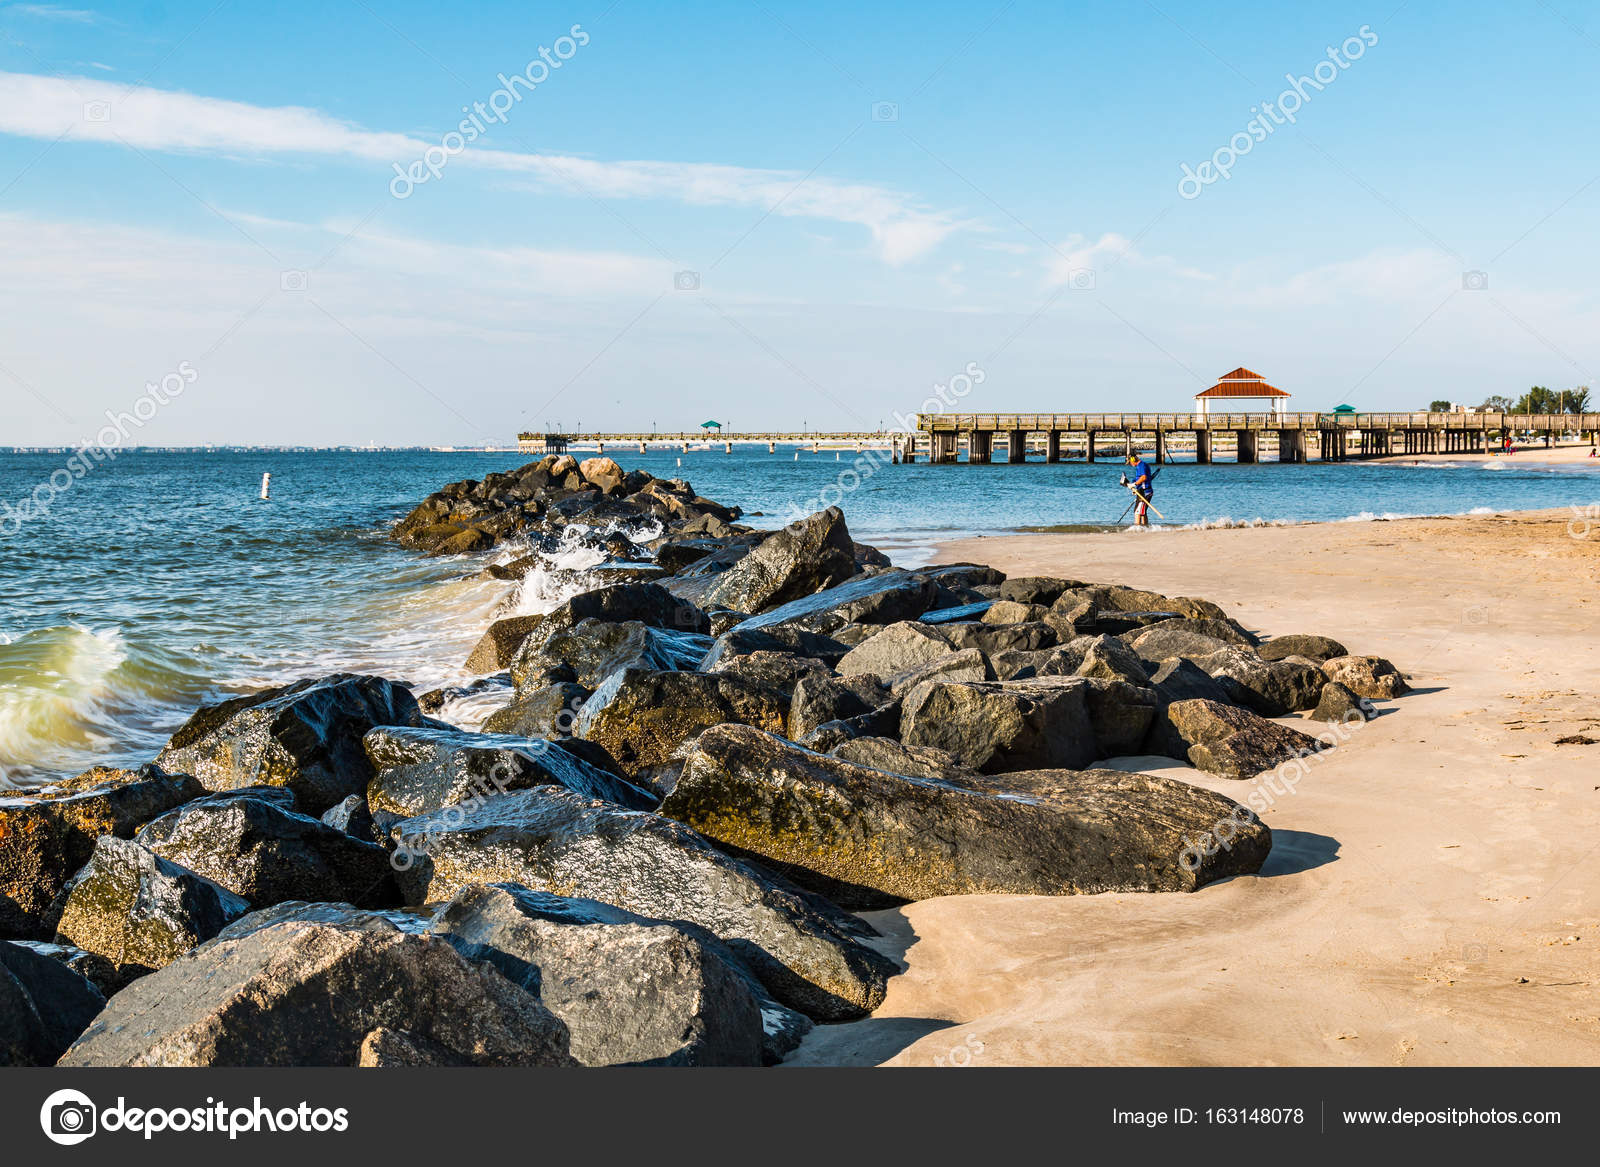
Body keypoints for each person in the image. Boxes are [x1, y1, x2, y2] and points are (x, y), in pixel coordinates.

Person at [1121, 452, 1155, 527]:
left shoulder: (1141, 465)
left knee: (1137, 512)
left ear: (1133, 459)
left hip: (1145, 492)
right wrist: (1134, 487)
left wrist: (1134, 484)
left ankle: (1137, 529)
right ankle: (1145, 528)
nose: (1130, 464)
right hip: (1142, 491)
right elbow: (1139, 479)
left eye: (1130, 462)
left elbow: (1143, 477)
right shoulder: (1141, 466)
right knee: (1142, 512)